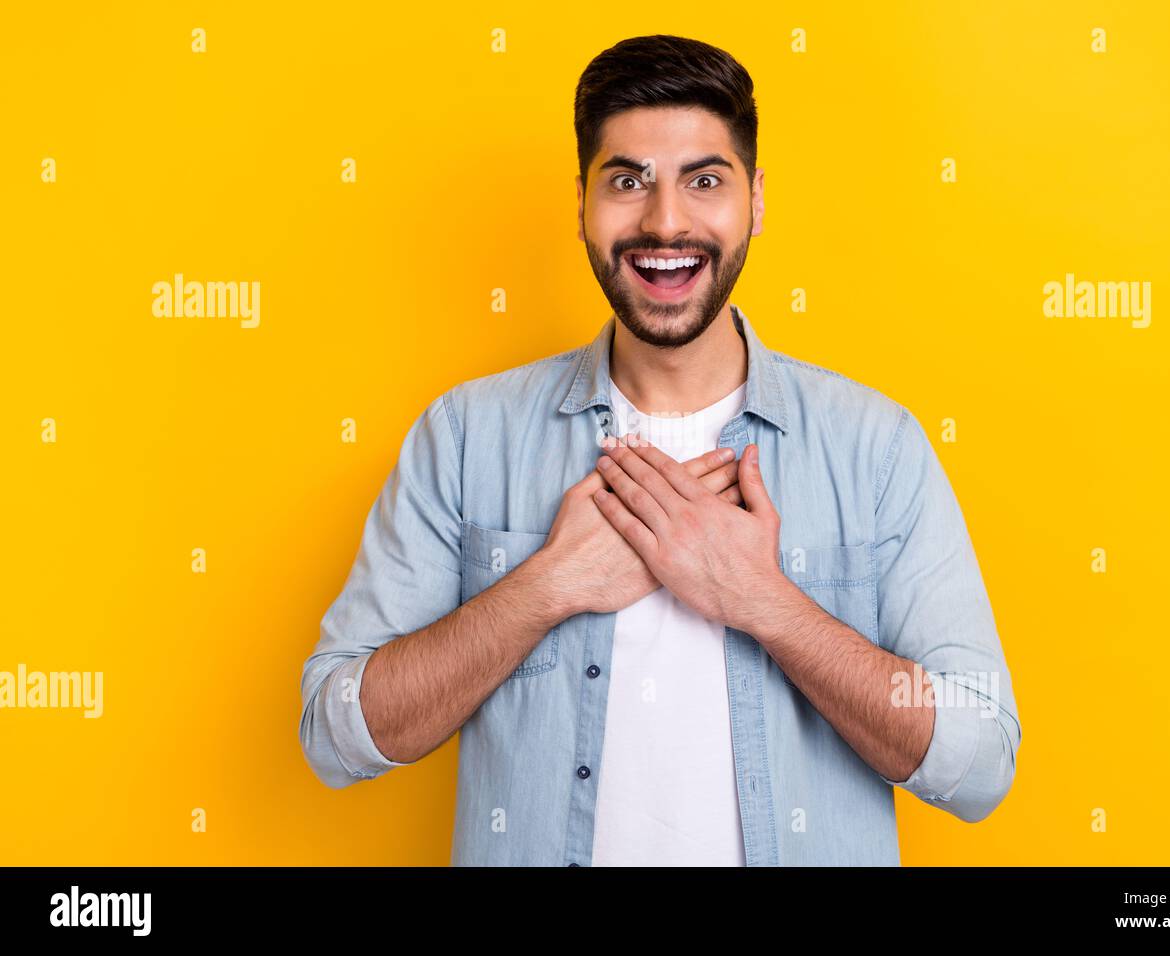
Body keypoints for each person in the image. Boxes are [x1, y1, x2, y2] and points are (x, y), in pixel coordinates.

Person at [300, 34, 1021, 866]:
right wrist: (545, 586)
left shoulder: (877, 448)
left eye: (703, 180)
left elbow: (980, 762)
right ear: (581, 203)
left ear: (755, 199)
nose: (665, 220)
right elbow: (335, 732)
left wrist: (764, 603)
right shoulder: (465, 436)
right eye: (628, 180)